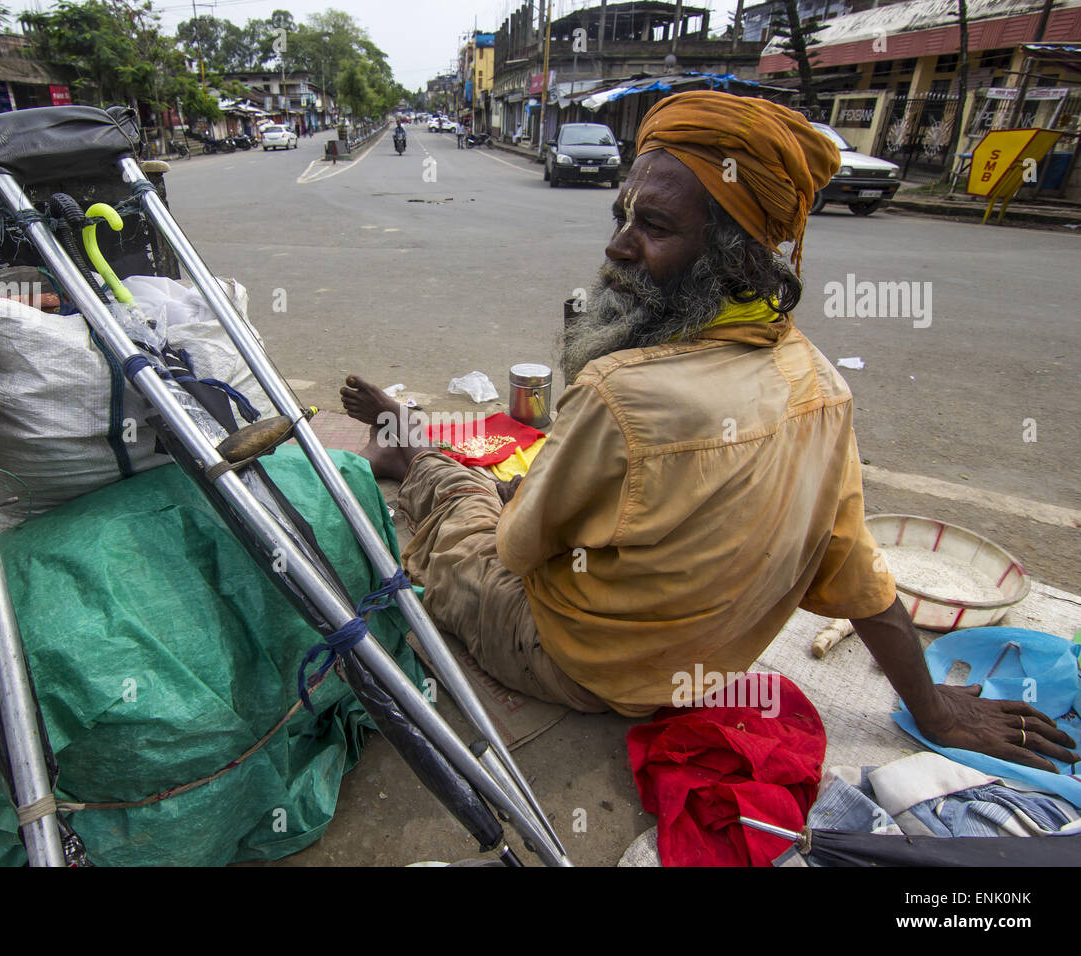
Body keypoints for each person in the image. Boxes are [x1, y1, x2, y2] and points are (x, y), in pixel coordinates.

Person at [340, 90, 1078, 774]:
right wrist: (932, 707)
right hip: (699, 671)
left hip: (575, 662)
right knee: (518, 484)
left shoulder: (619, 392)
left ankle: (407, 448)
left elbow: (518, 548)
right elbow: (853, 565)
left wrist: (514, 492)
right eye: (622, 218)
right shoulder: (822, 384)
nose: (619, 248)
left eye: (653, 228)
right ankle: (419, 446)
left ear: (732, 254)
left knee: (462, 493)